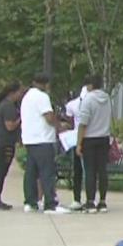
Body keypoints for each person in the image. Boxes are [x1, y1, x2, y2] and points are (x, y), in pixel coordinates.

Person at [20, 73, 73, 214]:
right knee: (47, 172)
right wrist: (60, 127)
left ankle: (30, 202)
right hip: (43, 139)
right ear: (46, 84)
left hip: (30, 139)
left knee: (31, 172)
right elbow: (49, 117)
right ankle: (51, 204)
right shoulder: (42, 97)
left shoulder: (27, 97)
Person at [76, 75, 113, 214]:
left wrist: (79, 143)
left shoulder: (88, 99)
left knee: (90, 170)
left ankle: (90, 201)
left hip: (90, 138)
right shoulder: (107, 98)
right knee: (102, 170)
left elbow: (83, 123)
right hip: (104, 138)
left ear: (91, 85)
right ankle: (102, 201)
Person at [0, 82, 25, 210]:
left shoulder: (5, 105)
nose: (21, 95)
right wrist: (21, 118)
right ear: (12, 93)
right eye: (20, 92)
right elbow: (10, 126)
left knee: (0, 172)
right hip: (3, 143)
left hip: (0, 142)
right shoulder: (8, 106)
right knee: (0, 172)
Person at [64, 85, 88, 210]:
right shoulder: (73, 105)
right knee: (82, 170)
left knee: (82, 170)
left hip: (82, 138)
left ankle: (82, 199)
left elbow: (70, 122)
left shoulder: (72, 105)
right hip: (83, 138)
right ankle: (82, 199)